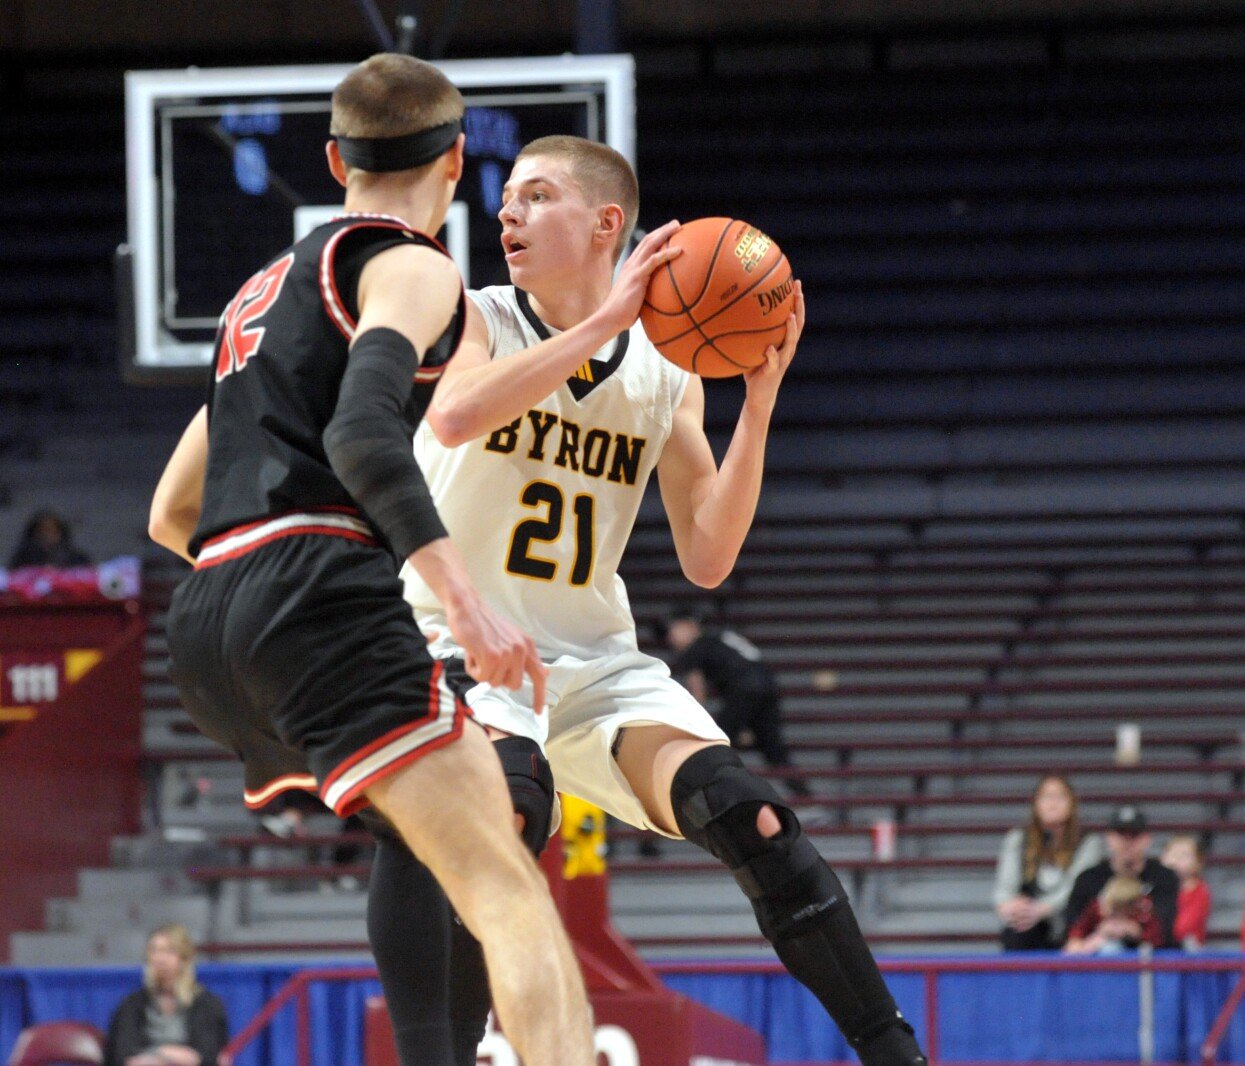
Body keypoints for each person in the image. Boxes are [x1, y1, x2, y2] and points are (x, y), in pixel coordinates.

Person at [402, 134, 927, 1065]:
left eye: (535, 196)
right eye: (507, 199)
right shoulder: (471, 312)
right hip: (459, 645)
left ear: (608, 223)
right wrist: (605, 323)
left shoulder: (666, 369)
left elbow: (709, 556)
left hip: (594, 663)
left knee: (748, 814)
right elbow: (452, 414)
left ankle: (894, 1054)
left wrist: (758, 404)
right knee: (511, 806)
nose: (505, 213)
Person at [146, 55, 595, 1066]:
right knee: (509, 891)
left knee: (434, 839)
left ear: (334, 159)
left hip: (210, 615)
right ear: (453, 160)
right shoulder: (413, 265)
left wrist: (270, 602)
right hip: (307, 586)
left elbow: (172, 508)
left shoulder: (260, 295)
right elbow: (363, 434)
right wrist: (464, 606)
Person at [665, 613, 810, 797]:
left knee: (716, 744)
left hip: (743, 691)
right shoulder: (722, 637)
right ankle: (807, 798)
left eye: (673, 629)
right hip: (767, 687)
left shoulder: (696, 647)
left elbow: (698, 694)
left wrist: (693, 725)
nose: (670, 637)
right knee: (773, 748)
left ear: (690, 625)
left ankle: (715, 799)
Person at [992, 775, 1104, 950]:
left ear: (1072, 803)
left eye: (1060, 796)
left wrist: (1041, 910)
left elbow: (1076, 887)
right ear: (1036, 804)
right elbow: (1004, 888)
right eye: (1046, 796)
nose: (1053, 803)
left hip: (1068, 920)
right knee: (1016, 933)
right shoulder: (1018, 839)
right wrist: (1010, 907)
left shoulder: (1089, 842)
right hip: (1029, 924)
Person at [103, 924, 228, 1066]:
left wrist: (152, 1056)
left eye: (169, 951)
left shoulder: (208, 1004)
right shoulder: (131, 1004)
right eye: (154, 951)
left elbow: (207, 1057)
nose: (160, 959)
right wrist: (165, 1052)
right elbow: (122, 1056)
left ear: (184, 958)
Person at [1063, 805, 1179, 949]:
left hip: (1151, 960)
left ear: (1147, 839)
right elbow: (1073, 930)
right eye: (1121, 834)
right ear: (1109, 838)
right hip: (1098, 961)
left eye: (1134, 835)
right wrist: (1101, 933)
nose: (1127, 842)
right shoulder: (1088, 879)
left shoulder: (1164, 878)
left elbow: (1166, 928)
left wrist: (1135, 930)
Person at [1063, 875, 1164, 953]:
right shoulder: (1098, 908)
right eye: (1115, 907)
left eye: (1123, 907)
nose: (1118, 912)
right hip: (1096, 959)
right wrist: (1097, 937)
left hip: (1135, 961)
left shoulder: (1144, 909)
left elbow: (1156, 941)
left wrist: (1136, 934)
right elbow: (1076, 935)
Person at [1162, 834, 1212, 949]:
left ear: (1198, 862)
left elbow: (1184, 928)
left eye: (1184, 855)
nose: (1176, 860)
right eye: (1173, 854)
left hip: (1188, 951)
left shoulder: (1200, 891)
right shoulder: (1156, 887)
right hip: (1160, 946)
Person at [7, 509, 91, 569]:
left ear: (61, 533)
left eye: (52, 530)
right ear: (34, 534)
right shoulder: (21, 559)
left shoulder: (77, 558)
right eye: (41, 531)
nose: (47, 535)